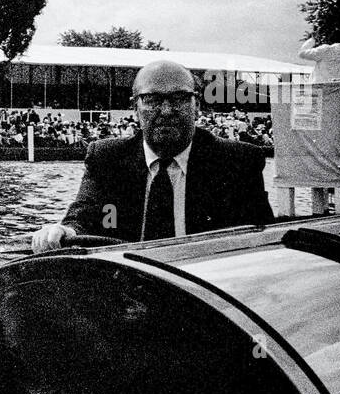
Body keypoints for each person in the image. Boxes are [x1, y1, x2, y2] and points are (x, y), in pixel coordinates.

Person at [31, 59, 274, 252]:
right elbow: (86, 216)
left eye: (179, 98)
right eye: (152, 100)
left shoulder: (238, 161)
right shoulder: (107, 158)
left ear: (197, 105)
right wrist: (65, 231)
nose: (167, 110)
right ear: (134, 107)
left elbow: (262, 241)